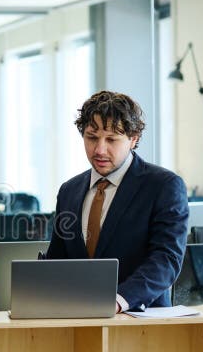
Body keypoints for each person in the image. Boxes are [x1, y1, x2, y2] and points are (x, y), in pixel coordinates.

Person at [46, 90, 189, 312]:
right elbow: (58, 260)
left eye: (112, 139)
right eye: (91, 137)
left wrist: (119, 300)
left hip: (140, 320)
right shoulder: (69, 191)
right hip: (77, 317)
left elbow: (166, 260)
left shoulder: (163, 186)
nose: (99, 149)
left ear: (134, 139)